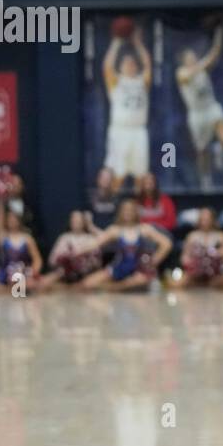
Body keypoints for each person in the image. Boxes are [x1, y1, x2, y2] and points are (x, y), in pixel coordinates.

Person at [176, 20, 223, 189]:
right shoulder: (181, 72)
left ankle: (220, 151)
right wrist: (201, 65)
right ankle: (205, 179)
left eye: (193, 56)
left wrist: (219, 34)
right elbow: (186, 77)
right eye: (189, 57)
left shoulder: (201, 68)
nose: (192, 58)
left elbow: (214, 54)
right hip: (196, 114)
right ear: (184, 61)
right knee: (202, 151)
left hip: (211, 108)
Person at [80, 200, 173, 291]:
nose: (127, 213)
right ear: (120, 212)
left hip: (138, 271)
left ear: (135, 212)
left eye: (130, 210)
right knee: (88, 283)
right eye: (125, 210)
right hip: (118, 268)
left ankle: (114, 287)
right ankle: (114, 287)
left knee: (141, 279)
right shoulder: (115, 230)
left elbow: (166, 244)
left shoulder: (144, 229)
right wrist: (77, 251)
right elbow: (95, 243)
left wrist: (153, 262)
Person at [102, 22, 152, 188]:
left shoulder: (141, 81)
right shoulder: (116, 82)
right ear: (121, 67)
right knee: (118, 174)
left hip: (138, 131)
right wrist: (116, 42)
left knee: (141, 175)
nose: (130, 64)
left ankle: (140, 210)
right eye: (126, 62)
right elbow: (107, 67)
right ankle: (114, 206)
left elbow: (147, 64)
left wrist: (138, 44)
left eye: (132, 62)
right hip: (120, 131)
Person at [42, 211, 102, 286]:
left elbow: (97, 261)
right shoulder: (64, 237)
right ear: (70, 222)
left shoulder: (90, 238)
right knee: (45, 282)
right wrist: (65, 259)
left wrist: (90, 226)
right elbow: (52, 260)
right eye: (74, 220)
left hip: (87, 274)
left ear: (84, 222)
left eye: (79, 220)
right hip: (64, 273)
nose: (76, 222)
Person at [176, 208, 223, 286]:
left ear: (213, 220)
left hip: (216, 274)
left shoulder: (221, 236)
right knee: (179, 284)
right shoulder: (192, 236)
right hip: (195, 273)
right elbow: (184, 257)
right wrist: (192, 265)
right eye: (202, 219)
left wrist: (219, 264)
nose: (204, 222)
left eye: (207, 219)